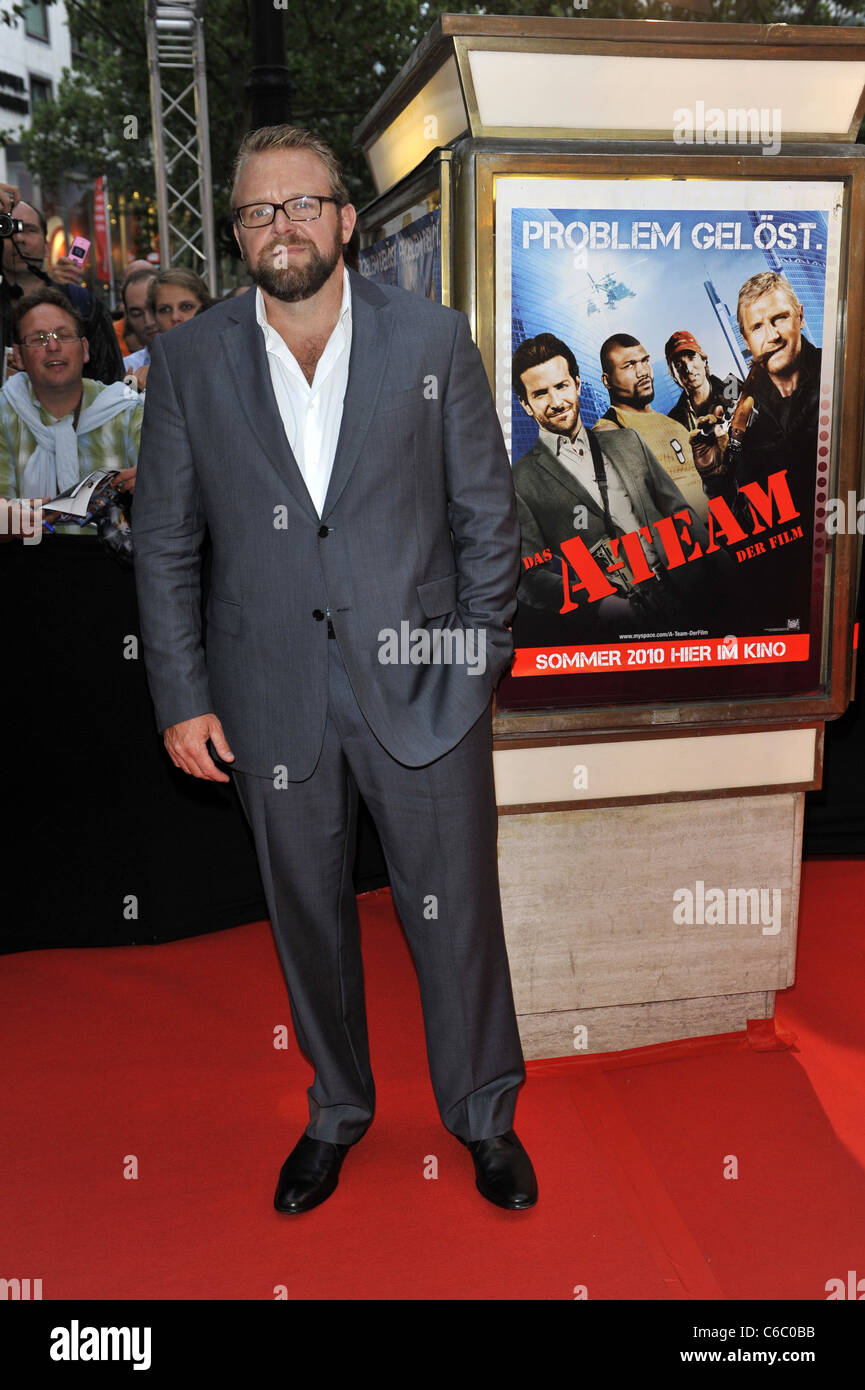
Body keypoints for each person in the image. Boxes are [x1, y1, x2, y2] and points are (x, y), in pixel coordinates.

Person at [133, 124, 536, 1215]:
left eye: (303, 204)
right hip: (268, 702)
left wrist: (467, 665)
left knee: (455, 919)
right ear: (236, 233)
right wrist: (182, 696)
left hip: (422, 691)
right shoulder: (188, 359)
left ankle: (483, 1113)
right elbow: (166, 542)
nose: (283, 226)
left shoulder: (431, 341)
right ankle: (338, 1109)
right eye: (260, 211)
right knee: (306, 917)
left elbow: (487, 522)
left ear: (346, 219)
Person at [511, 333, 729, 639]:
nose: (556, 401)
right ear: (525, 403)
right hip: (615, 624)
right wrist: (599, 604)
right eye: (540, 393)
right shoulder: (519, 480)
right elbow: (530, 576)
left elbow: (682, 514)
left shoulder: (627, 441)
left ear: (577, 383)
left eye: (561, 386)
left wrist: (730, 576)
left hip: (686, 590)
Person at [0, 287, 141, 540]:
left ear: (85, 349)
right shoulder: (3, 413)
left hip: (114, 572)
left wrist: (150, 485)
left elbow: (171, 502)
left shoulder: (127, 410)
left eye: (64, 336)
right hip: (19, 571)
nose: (53, 346)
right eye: (38, 338)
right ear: (18, 357)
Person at [0, 199, 124, 386]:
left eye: (29, 229)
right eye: (8, 230)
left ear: (47, 246)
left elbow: (111, 378)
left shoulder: (82, 303)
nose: (19, 238)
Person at [594, 333, 707, 522]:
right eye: (630, 365)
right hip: (680, 543)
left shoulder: (674, 423)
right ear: (607, 380)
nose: (643, 372)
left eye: (645, 361)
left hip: (718, 533)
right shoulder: (609, 431)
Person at [131, 268, 214, 388]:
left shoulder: (229, 361)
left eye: (186, 307)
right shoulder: (136, 370)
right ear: (155, 317)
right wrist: (130, 391)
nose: (175, 317)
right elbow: (125, 395)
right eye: (165, 310)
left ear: (205, 309)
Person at [665, 330, 740, 432]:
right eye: (679, 364)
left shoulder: (735, 390)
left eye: (691, 358)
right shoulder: (673, 423)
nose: (688, 368)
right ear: (674, 375)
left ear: (703, 360)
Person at [120, 263, 158, 372]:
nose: (149, 322)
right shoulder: (125, 370)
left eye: (153, 308)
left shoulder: (205, 360)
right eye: (137, 313)